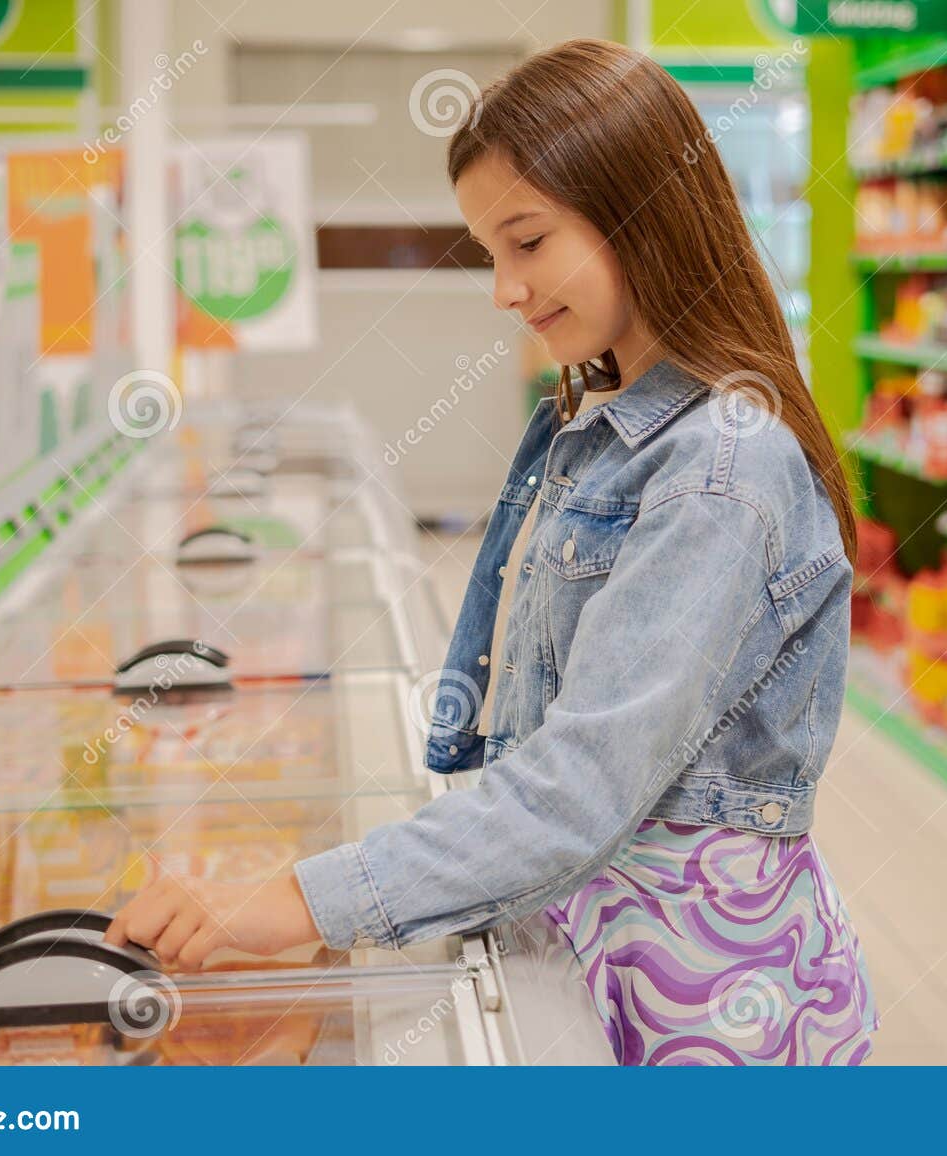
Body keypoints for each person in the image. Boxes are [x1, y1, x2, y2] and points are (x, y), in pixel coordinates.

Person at [108, 38, 877, 1066]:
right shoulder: (601, 420)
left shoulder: (716, 468)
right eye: (489, 252)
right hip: (601, 935)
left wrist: (296, 900)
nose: (503, 289)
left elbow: (579, 788)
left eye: (527, 241)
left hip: (696, 990)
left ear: (642, 212)